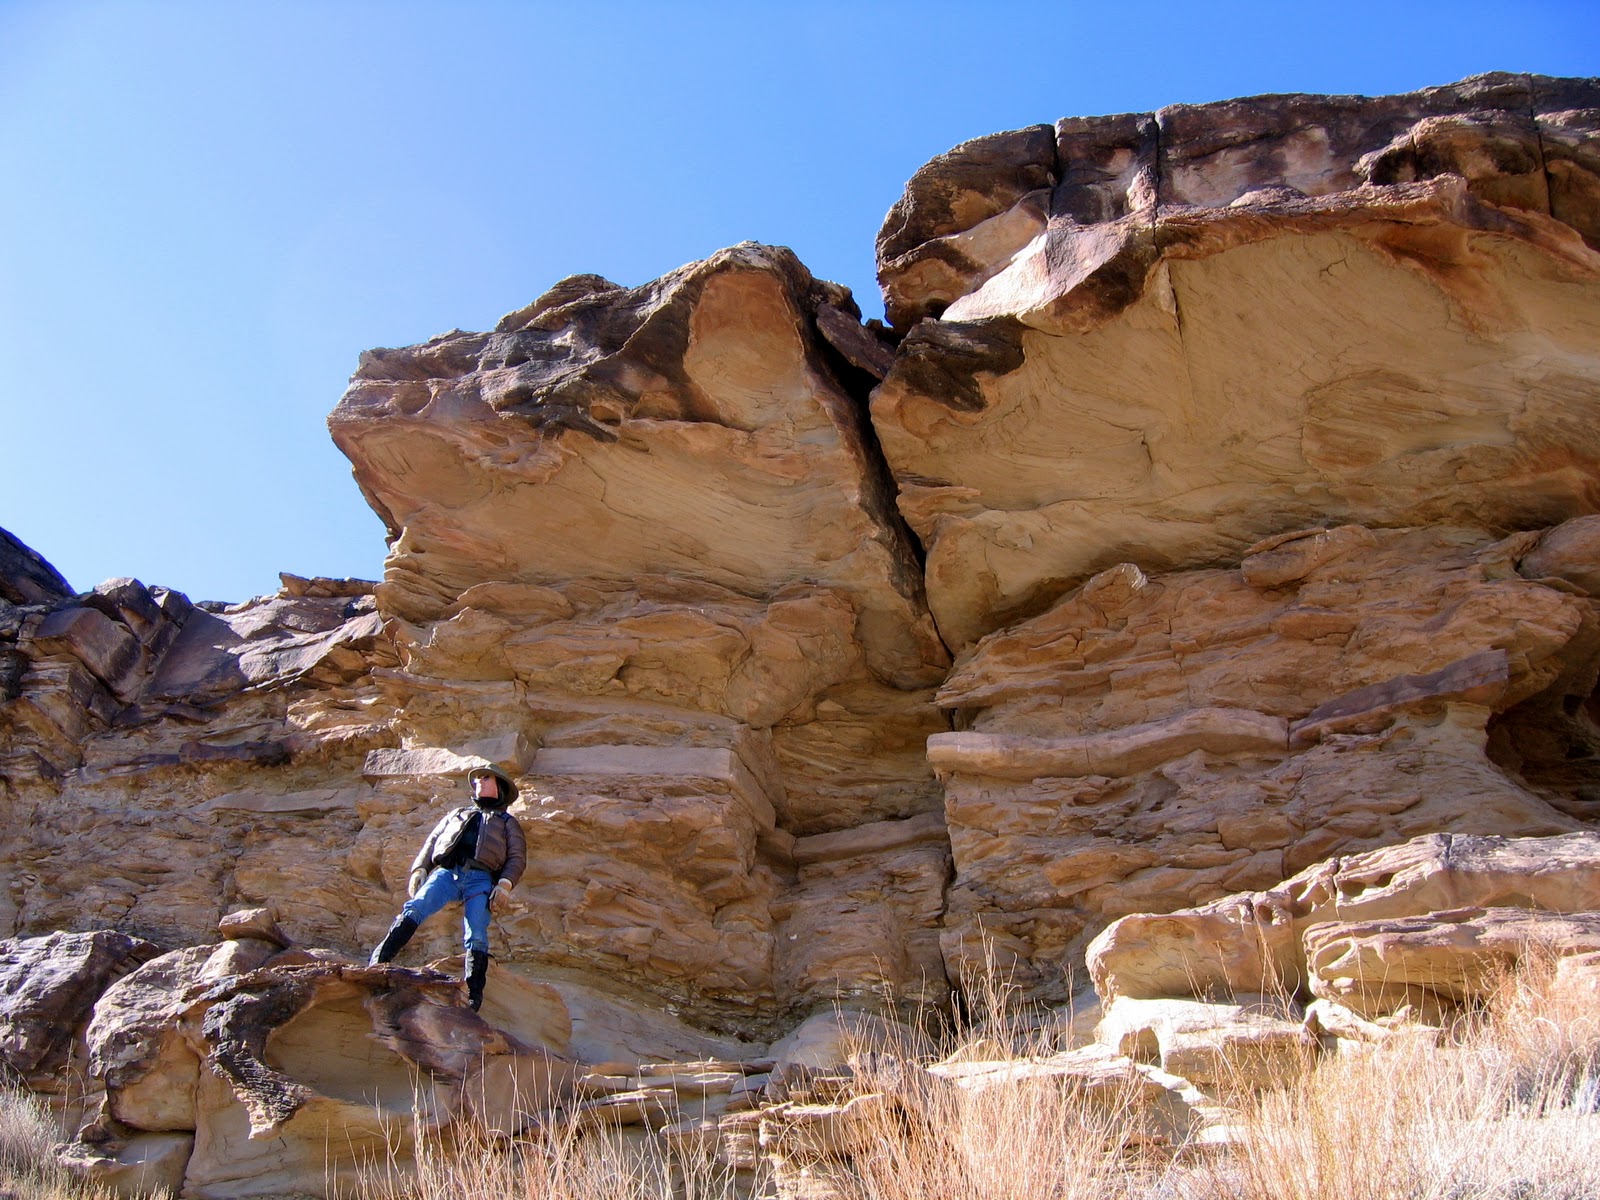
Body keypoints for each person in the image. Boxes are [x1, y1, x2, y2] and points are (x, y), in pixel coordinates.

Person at [369, 765, 527, 1010]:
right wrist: (420, 868)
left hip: (481, 877)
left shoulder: (507, 822)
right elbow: (433, 841)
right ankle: (379, 961)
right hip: (447, 872)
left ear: (500, 787)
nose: (479, 782)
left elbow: (516, 857)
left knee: (476, 931)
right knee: (415, 908)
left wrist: (505, 884)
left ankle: (474, 996)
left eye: (485, 778)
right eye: (476, 779)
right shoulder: (458, 813)